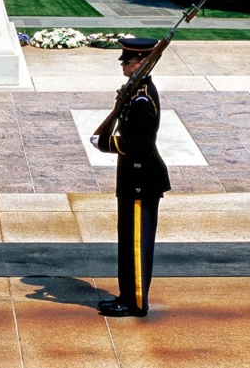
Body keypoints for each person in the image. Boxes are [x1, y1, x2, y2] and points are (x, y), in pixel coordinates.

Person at [90, 37, 171, 317]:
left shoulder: (142, 99)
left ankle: (136, 302)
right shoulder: (135, 91)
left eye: (127, 60)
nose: (123, 64)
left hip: (142, 180)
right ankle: (126, 295)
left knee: (136, 244)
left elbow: (141, 146)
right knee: (127, 242)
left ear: (140, 63)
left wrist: (106, 144)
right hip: (132, 180)